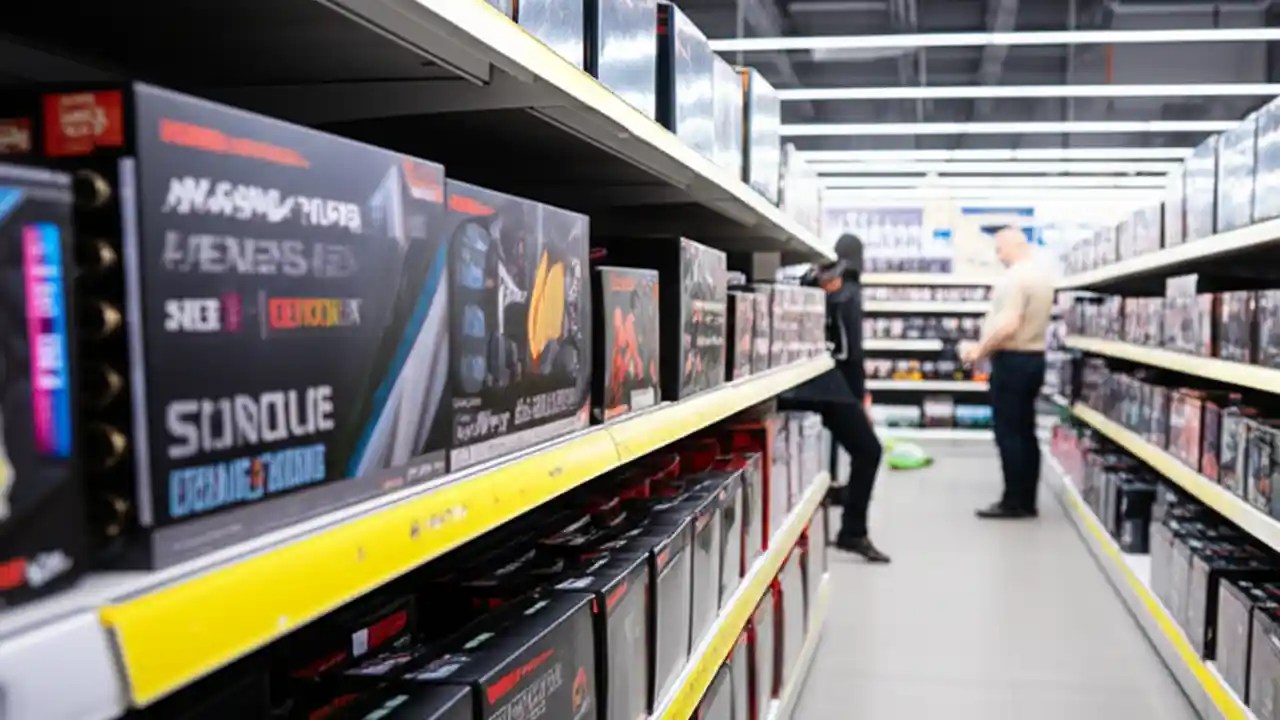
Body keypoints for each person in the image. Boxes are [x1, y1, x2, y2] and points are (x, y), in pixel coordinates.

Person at [783, 234, 889, 563]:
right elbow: (849, 353)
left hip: (794, 382)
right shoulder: (850, 292)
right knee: (869, 451)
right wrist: (859, 398)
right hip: (830, 386)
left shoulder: (810, 282)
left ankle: (834, 497)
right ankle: (852, 532)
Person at [960, 225, 1055, 519]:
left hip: (1012, 361)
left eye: (1000, 248)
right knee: (1026, 432)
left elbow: (1009, 324)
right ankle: (1027, 500)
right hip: (1034, 358)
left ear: (1015, 245)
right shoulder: (1041, 277)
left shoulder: (1015, 279)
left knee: (1009, 433)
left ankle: (1013, 501)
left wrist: (979, 350)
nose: (998, 255)